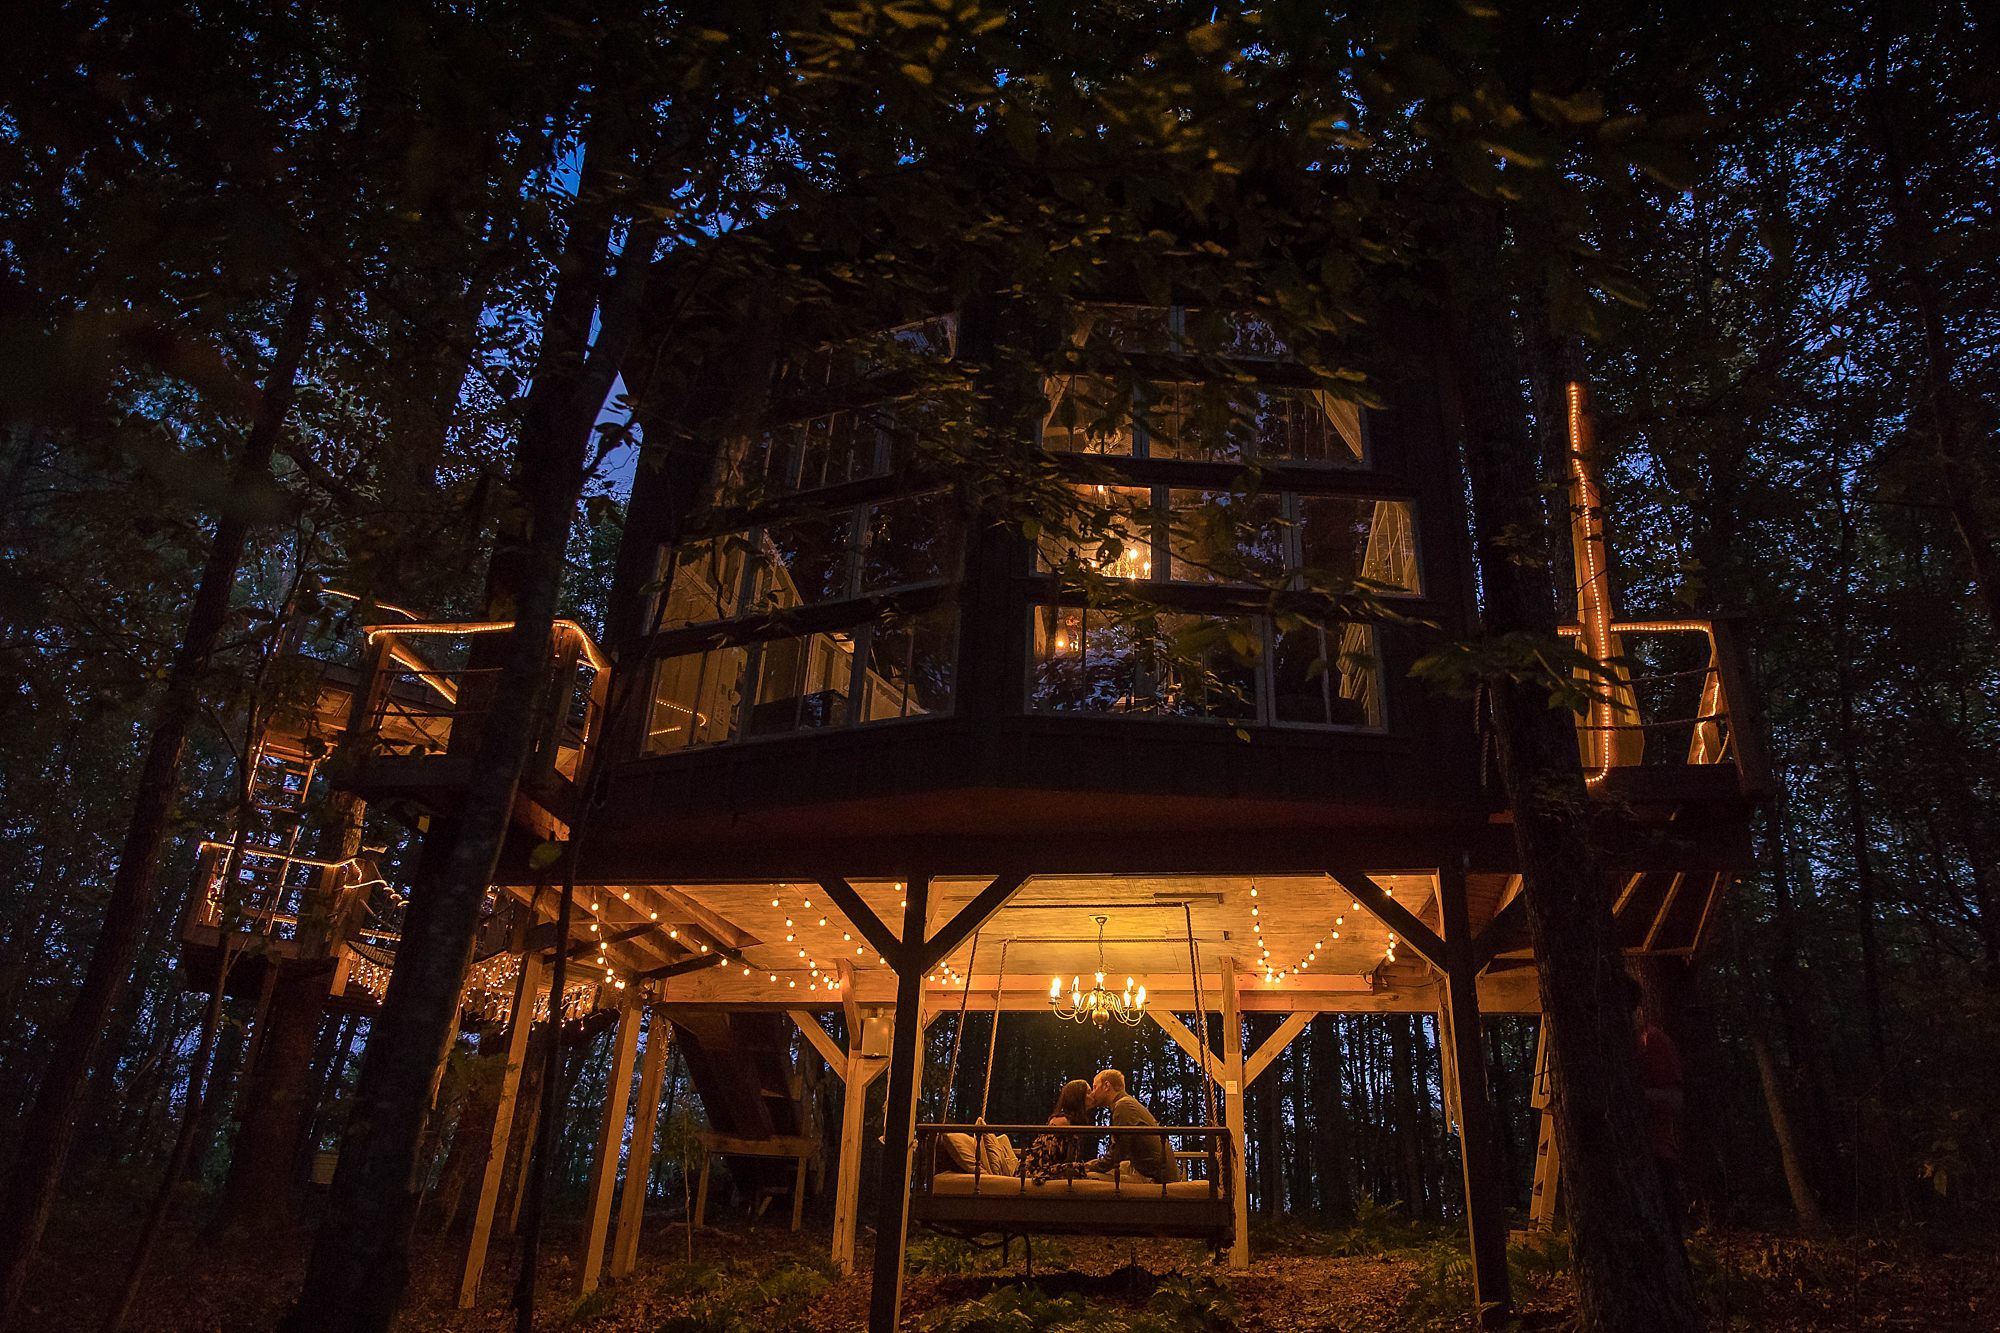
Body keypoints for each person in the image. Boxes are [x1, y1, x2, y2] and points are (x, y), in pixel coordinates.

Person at [1628, 975, 1686, 1227]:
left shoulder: (1651, 1040)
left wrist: (1634, 1096)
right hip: (1627, 1164)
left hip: (1656, 1158)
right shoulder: (1615, 1047)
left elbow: (1675, 1100)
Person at [1083, 1068, 1181, 1184]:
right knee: (1092, 1166)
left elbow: (1119, 1150)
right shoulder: (1127, 1103)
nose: (1093, 1093)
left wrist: (1093, 1168)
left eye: (1095, 1087)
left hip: (1153, 1177)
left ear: (1106, 1086)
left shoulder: (1123, 1106)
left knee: (1088, 1177)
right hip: (1152, 1170)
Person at [1019, 1078, 1091, 1183]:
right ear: (1078, 1098)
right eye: (1088, 1092)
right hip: (1037, 1168)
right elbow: (1045, 1155)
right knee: (1077, 1169)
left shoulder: (1074, 1121)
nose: (1092, 1095)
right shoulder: (1061, 1121)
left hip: (1051, 1166)